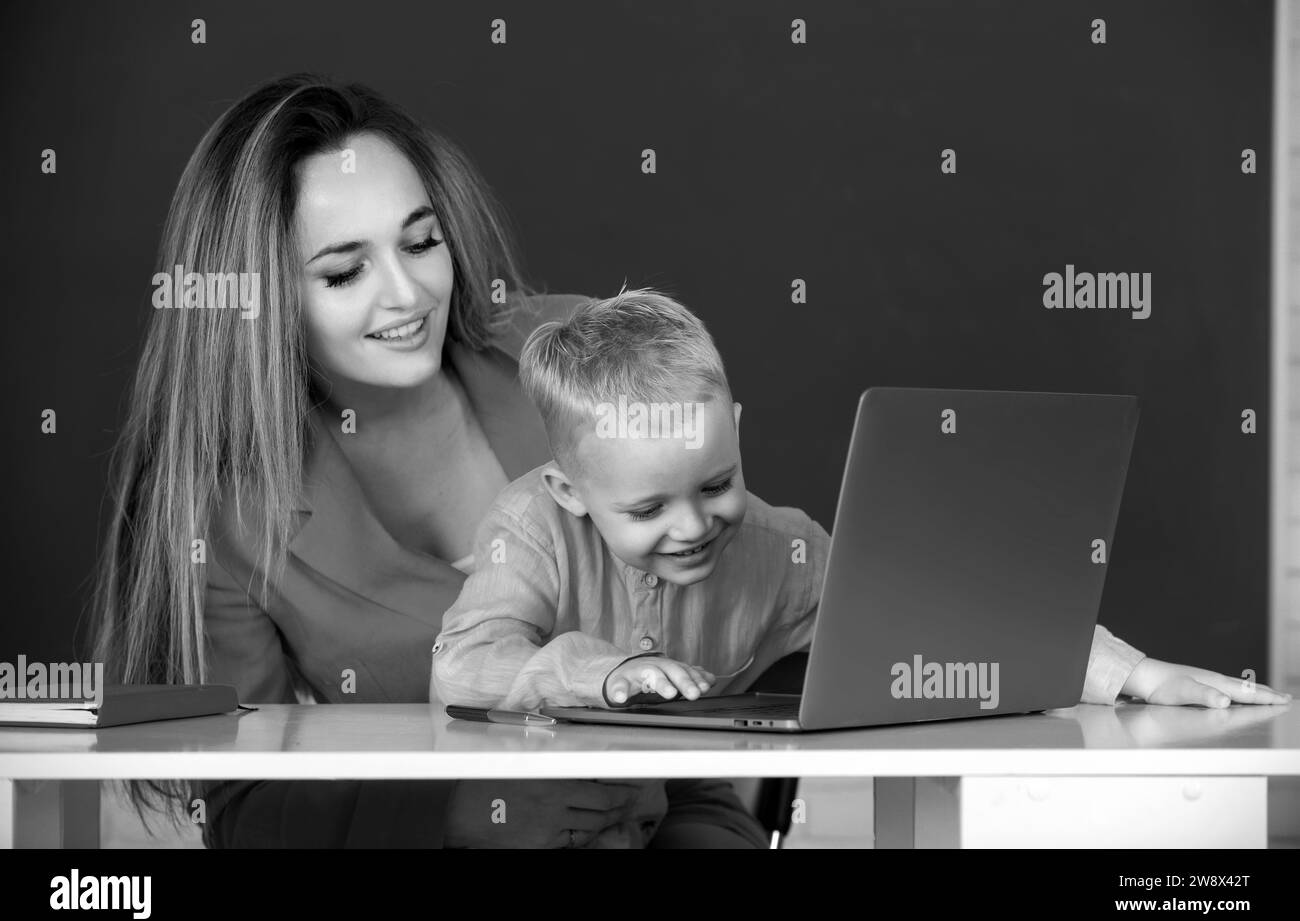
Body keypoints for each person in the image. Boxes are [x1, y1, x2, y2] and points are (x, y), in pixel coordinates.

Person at [90, 73, 768, 848]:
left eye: (420, 242)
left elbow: (723, 614)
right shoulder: (223, 512)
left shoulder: (572, 363)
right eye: (345, 272)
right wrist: (456, 812)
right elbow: (246, 809)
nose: (409, 293)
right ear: (258, 302)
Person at [433, 289, 1292, 734]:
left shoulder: (784, 548)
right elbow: (463, 669)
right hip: (531, 806)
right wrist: (602, 672)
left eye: (716, 484)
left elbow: (941, 621)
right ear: (570, 491)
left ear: (735, 433)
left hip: (682, 803)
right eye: (649, 506)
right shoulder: (530, 529)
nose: (693, 526)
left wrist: (1134, 675)